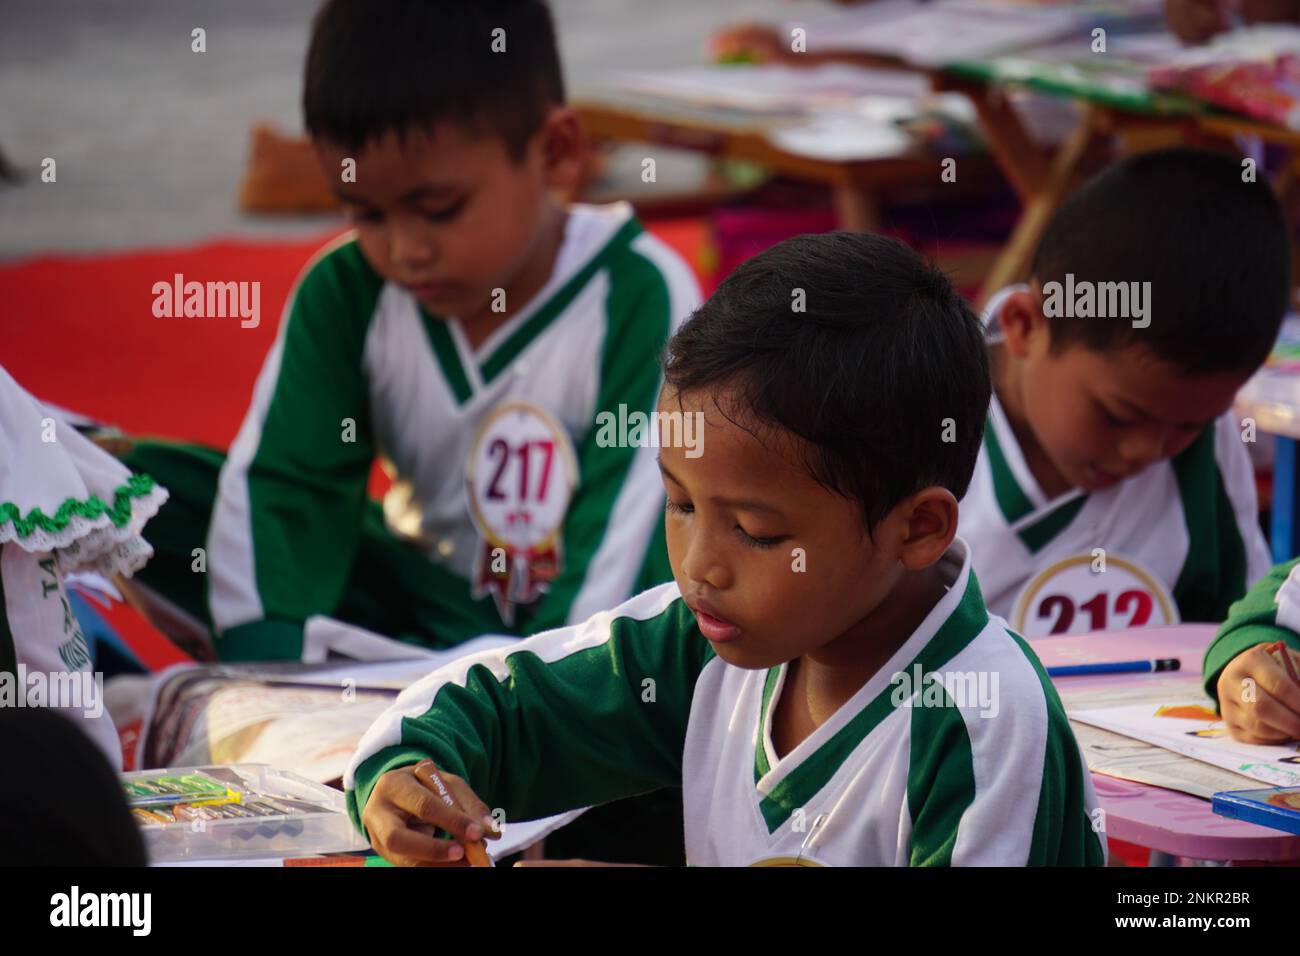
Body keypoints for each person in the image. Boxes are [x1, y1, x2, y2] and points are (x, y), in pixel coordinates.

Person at [345, 232, 1106, 867]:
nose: (699, 565)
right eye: (679, 503)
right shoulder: (700, 645)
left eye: (758, 532)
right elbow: (497, 707)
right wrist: (409, 777)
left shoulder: (981, 720)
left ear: (917, 528)